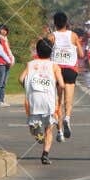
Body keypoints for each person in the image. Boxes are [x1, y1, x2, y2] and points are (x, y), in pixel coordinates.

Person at [21, 36, 63, 165]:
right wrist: (59, 96)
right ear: (51, 52)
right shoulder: (54, 66)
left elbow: (21, 78)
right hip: (49, 101)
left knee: (33, 126)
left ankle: (37, 134)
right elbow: (61, 85)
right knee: (49, 129)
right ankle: (45, 154)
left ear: (37, 51)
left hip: (33, 100)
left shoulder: (30, 64)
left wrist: (27, 87)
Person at [49, 11, 83, 139]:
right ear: (66, 23)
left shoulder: (51, 36)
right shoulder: (73, 35)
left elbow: (44, 51)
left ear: (55, 23)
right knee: (68, 100)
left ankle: (60, 132)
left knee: (57, 101)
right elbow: (81, 54)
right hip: (70, 69)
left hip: (57, 69)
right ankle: (67, 118)